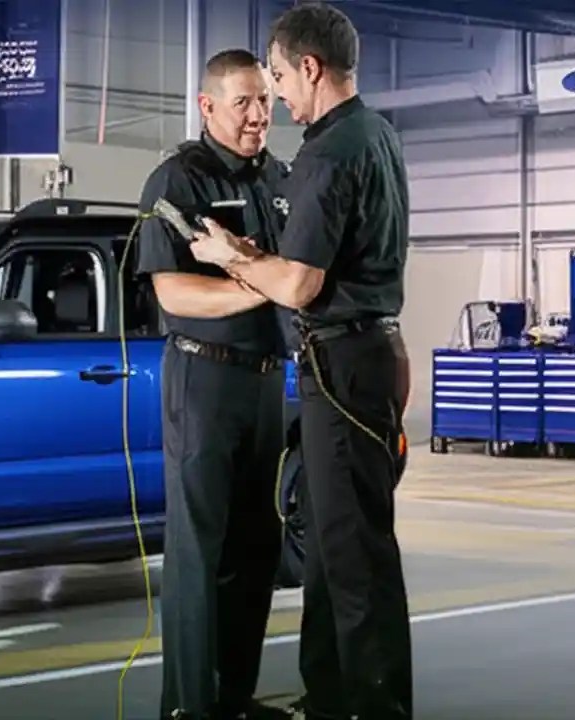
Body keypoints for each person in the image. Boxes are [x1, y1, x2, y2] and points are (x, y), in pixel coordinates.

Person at [188, 4, 414, 718]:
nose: (275, 99)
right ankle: (331, 696)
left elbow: (303, 284)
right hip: (369, 357)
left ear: (310, 68)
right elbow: (320, 259)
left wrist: (230, 258)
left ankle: (372, 707)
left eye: (279, 78)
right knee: (333, 545)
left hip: (341, 367)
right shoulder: (377, 134)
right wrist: (264, 258)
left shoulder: (327, 150)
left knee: (353, 558)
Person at [135, 47, 294, 720]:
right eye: (244, 103)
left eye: (265, 100)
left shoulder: (282, 178)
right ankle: (189, 707)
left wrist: (253, 272)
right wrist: (262, 283)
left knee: (257, 547)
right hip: (202, 376)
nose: (259, 114)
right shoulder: (178, 181)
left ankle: (234, 697)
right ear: (208, 106)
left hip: (265, 382)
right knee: (199, 550)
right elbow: (175, 294)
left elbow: (304, 267)